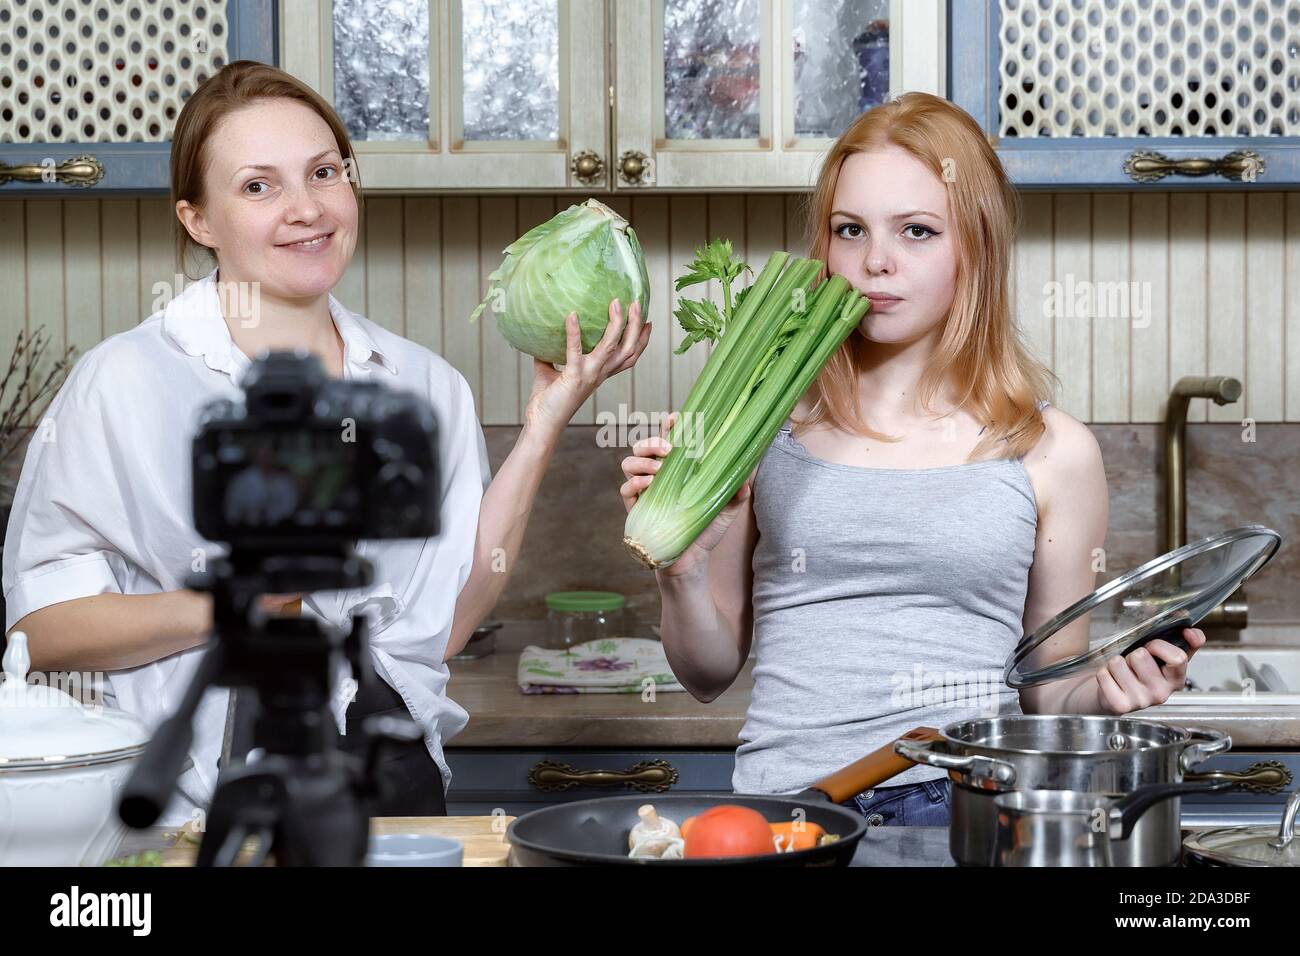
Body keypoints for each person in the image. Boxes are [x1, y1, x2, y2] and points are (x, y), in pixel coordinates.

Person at [3, 61, 649, 826]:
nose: (306, 209)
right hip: (203, 806)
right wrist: (239, 606)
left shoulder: (423, 385)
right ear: (197, 219)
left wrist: (546, 419)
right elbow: (43, 632)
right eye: (258, 186)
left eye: (323, 172)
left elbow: (442, 629)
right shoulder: (124, 383)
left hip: (397, 791)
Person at [619, 93, 1203, 828]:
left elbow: (1050, 695)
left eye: (918, 231)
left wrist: (1114, 689)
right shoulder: (761, 429)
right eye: (849, 230)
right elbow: (706, 674)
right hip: (786, 808)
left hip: (962, 810)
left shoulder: (1051, 450)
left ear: (975, 248)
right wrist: (684, 571)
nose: (875, 262)